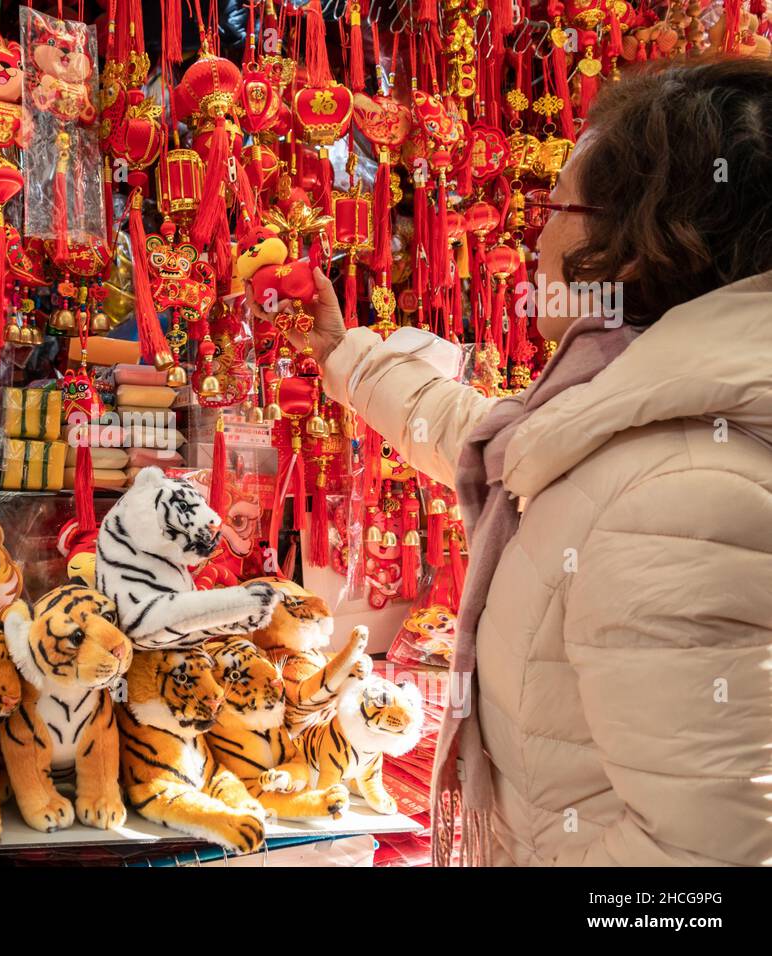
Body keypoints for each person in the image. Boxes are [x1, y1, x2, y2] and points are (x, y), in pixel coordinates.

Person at [303, 58, 772, 865]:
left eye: (556, 205)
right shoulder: (642, 424)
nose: (536, 234)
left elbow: (705, 871)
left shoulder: (684, 496)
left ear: (635, 243)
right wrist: (350, 359)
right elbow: (501, 440)